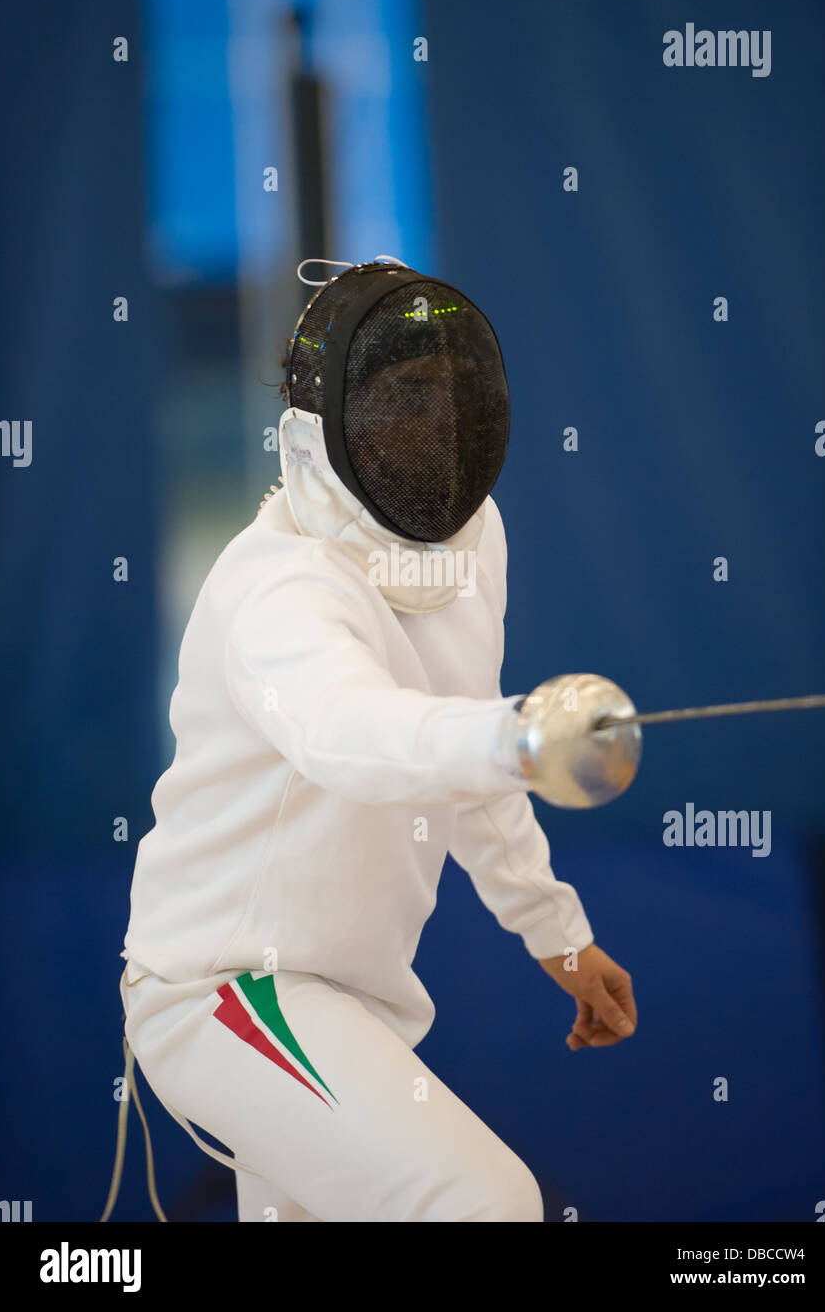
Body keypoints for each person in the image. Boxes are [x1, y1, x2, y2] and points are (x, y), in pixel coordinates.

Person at [119, 259, 637, 1223]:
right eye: (403, 399)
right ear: (324, 425)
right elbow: (351, 733)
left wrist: (557, 936)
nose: (435, 428)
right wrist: (519, 737)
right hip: (230, 994)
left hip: (353, 998)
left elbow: (458, 757)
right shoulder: (278, 589)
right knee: (480, 1203)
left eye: (450, 398)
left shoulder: (473, 544)